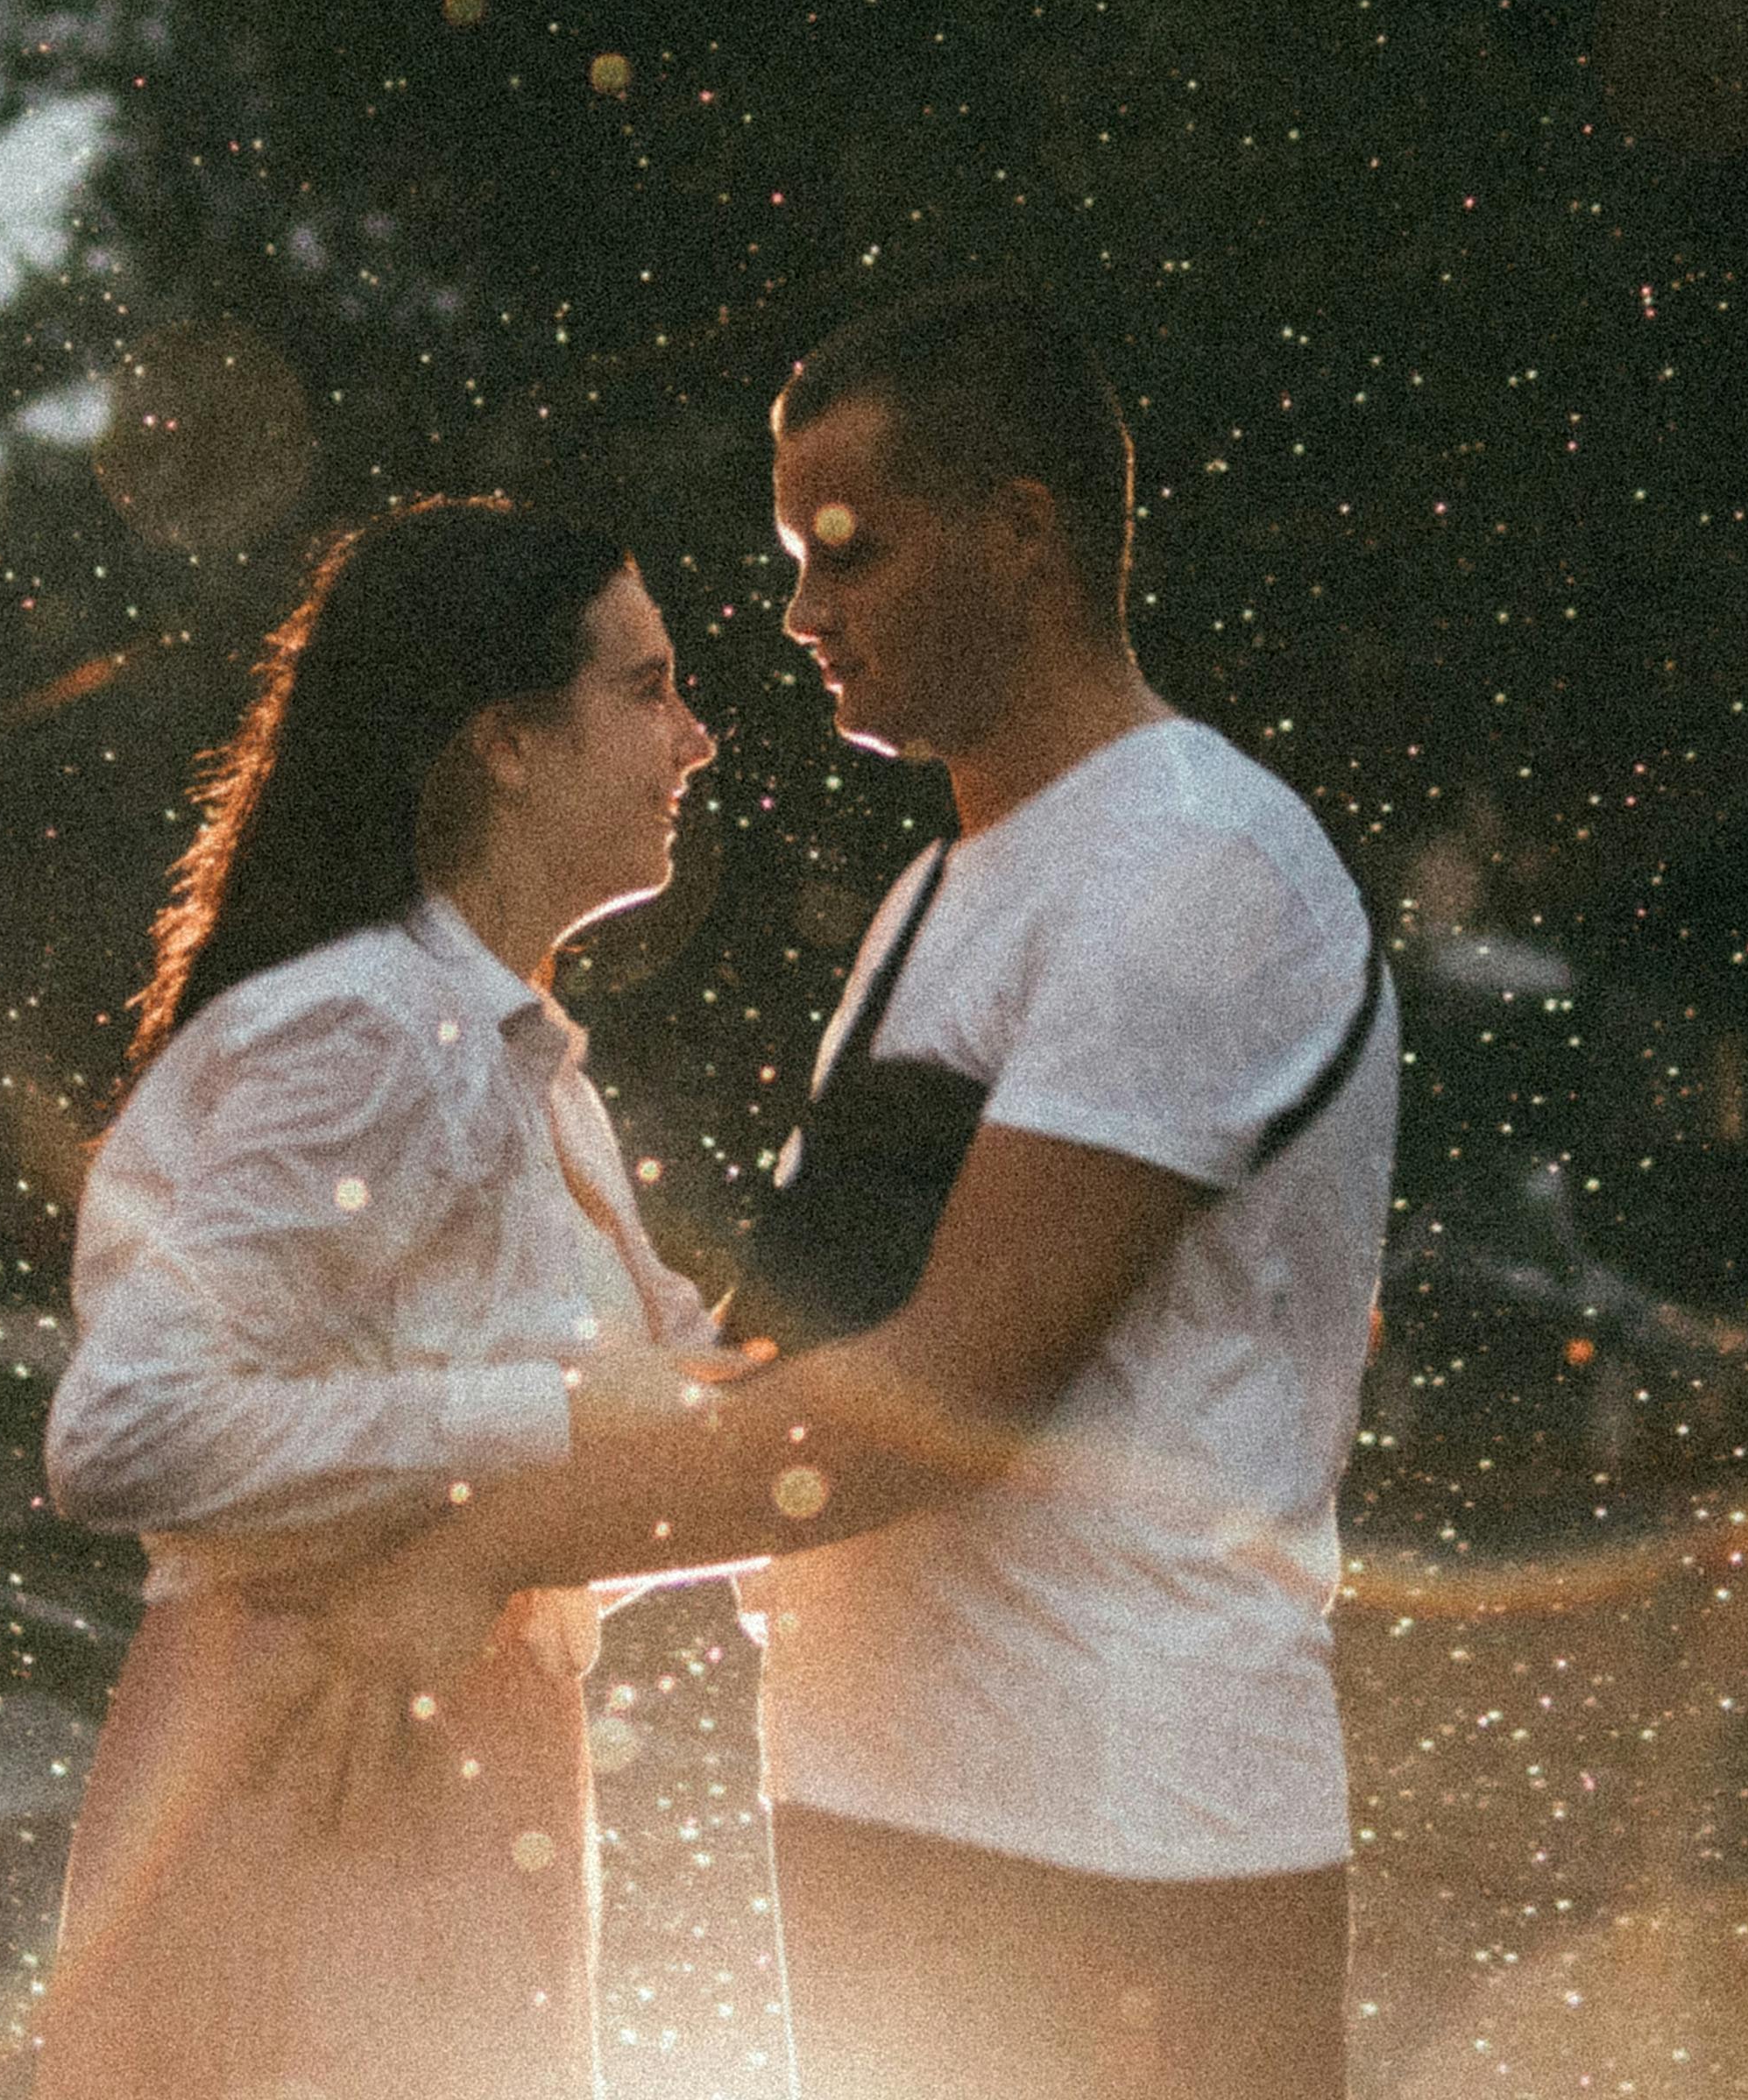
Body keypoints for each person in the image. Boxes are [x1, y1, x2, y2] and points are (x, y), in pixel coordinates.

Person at [285, 289, 1398, 2100]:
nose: (800, 613)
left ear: (1021, 533)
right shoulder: (938, 898)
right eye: (795, 557)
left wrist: (489, 1547)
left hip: (1126, 1844)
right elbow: (784, 1370)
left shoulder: (1187, 864)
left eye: (848, 551)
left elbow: (945, 1393)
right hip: (891, 1807)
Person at [32, 492, 725, 2100]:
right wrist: (536, 1424)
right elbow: (124, 1433)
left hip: (440, 1782)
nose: (694, 740)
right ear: (504, 741)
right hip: (314, 1795)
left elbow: (675, 1433)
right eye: (646, 688)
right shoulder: (371, 1034)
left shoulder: (513, 1054)